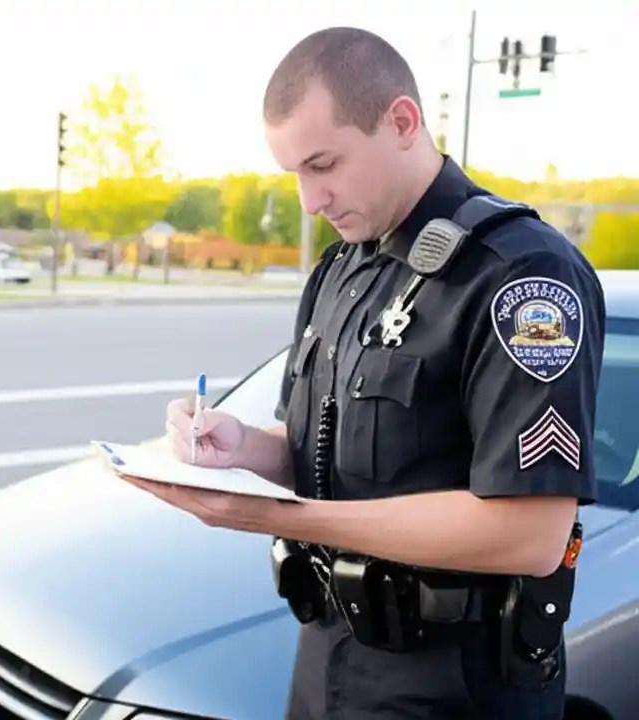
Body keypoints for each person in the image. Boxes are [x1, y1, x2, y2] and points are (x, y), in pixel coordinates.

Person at [123, 26, 605, 719]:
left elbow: (530, 534)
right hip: (328, 659)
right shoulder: (343, 270)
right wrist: (239, 447)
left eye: (324, 165)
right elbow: (316, 450)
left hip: (454, 687)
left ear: (402, 121)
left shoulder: (520, 275)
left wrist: (279, 518)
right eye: (295, 174)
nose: (310, 200)